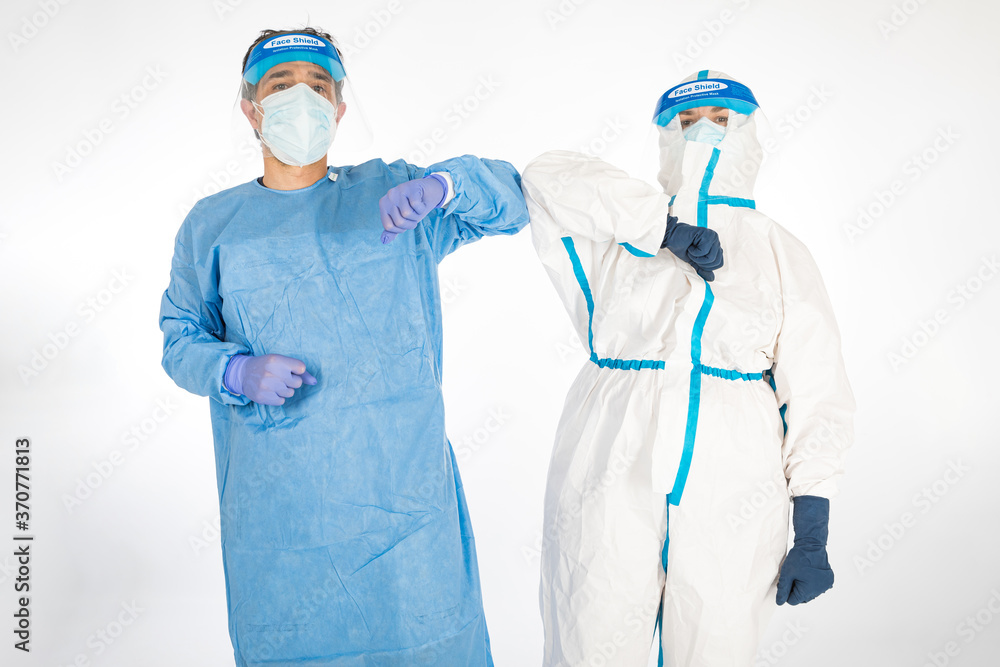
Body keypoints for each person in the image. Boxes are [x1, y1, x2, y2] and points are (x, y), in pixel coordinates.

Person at [158, 27, 528, 667]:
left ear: (339, 108)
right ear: (250, 108)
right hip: (283, 524)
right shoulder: (213, 226)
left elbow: (514, 202)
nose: (301, 98)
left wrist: (446, 186)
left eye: (318, 85)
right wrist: (233, 371)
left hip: (406, 519)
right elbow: (179, 338)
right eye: (280, 85)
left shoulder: (393, 193)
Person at [521, 70, 855, 666]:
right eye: (688, 121)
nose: (704, 134)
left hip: (734, 474)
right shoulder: (617, 232)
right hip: (610, 456)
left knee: (716, 642)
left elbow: (816, 387)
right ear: (665, 135)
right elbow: (546, 176)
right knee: (590, 631)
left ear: (749, 131)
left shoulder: (777, 248)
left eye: (721, 120)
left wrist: (813, 525)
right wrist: (662, 229)